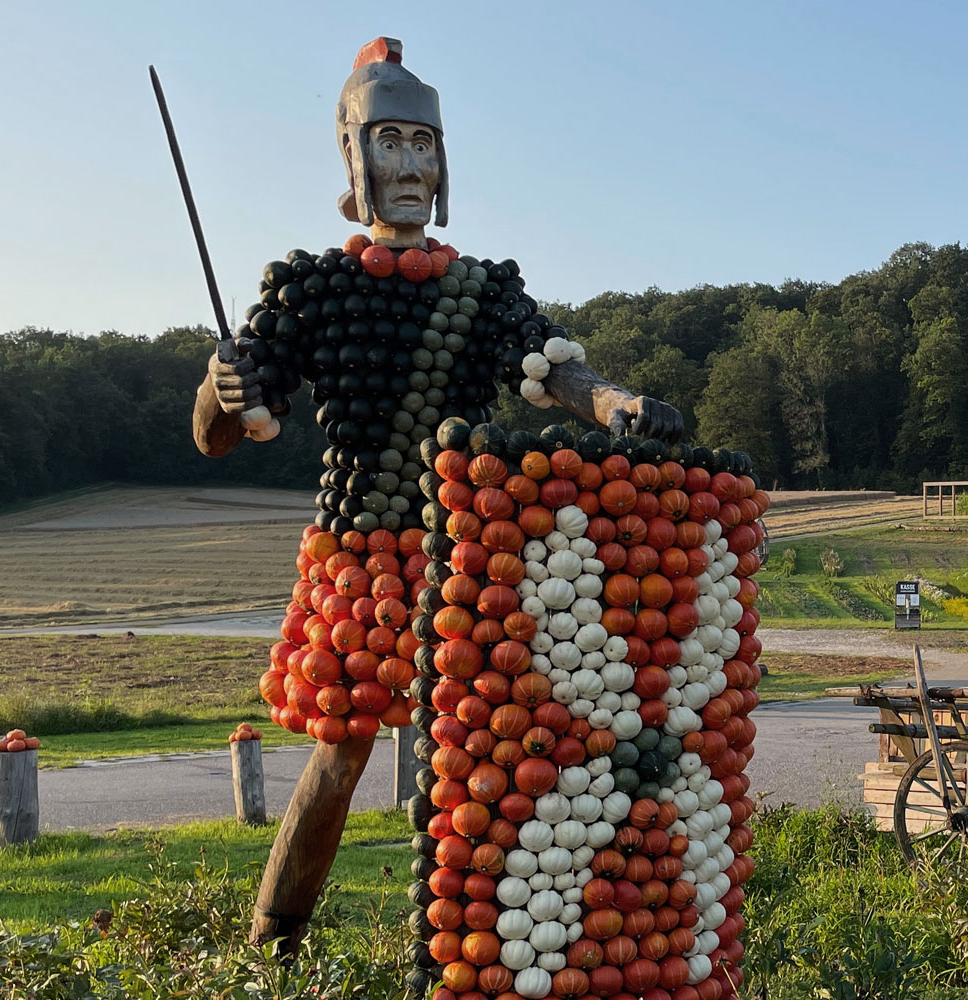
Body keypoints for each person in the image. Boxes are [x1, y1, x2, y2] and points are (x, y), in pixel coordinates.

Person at [188, 38, 687, 955]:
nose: (412, 165)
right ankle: (275, 942)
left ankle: (478, 945)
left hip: (472, 558)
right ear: (354, 157)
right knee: (341, 758)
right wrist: (220, 391)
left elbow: (552, 368)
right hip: (362, 556)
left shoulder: (483, 291)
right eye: (391, 144)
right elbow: (225, 420)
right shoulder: (314, 288)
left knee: (493, 755)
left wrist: (614, 403)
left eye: (425, 145)